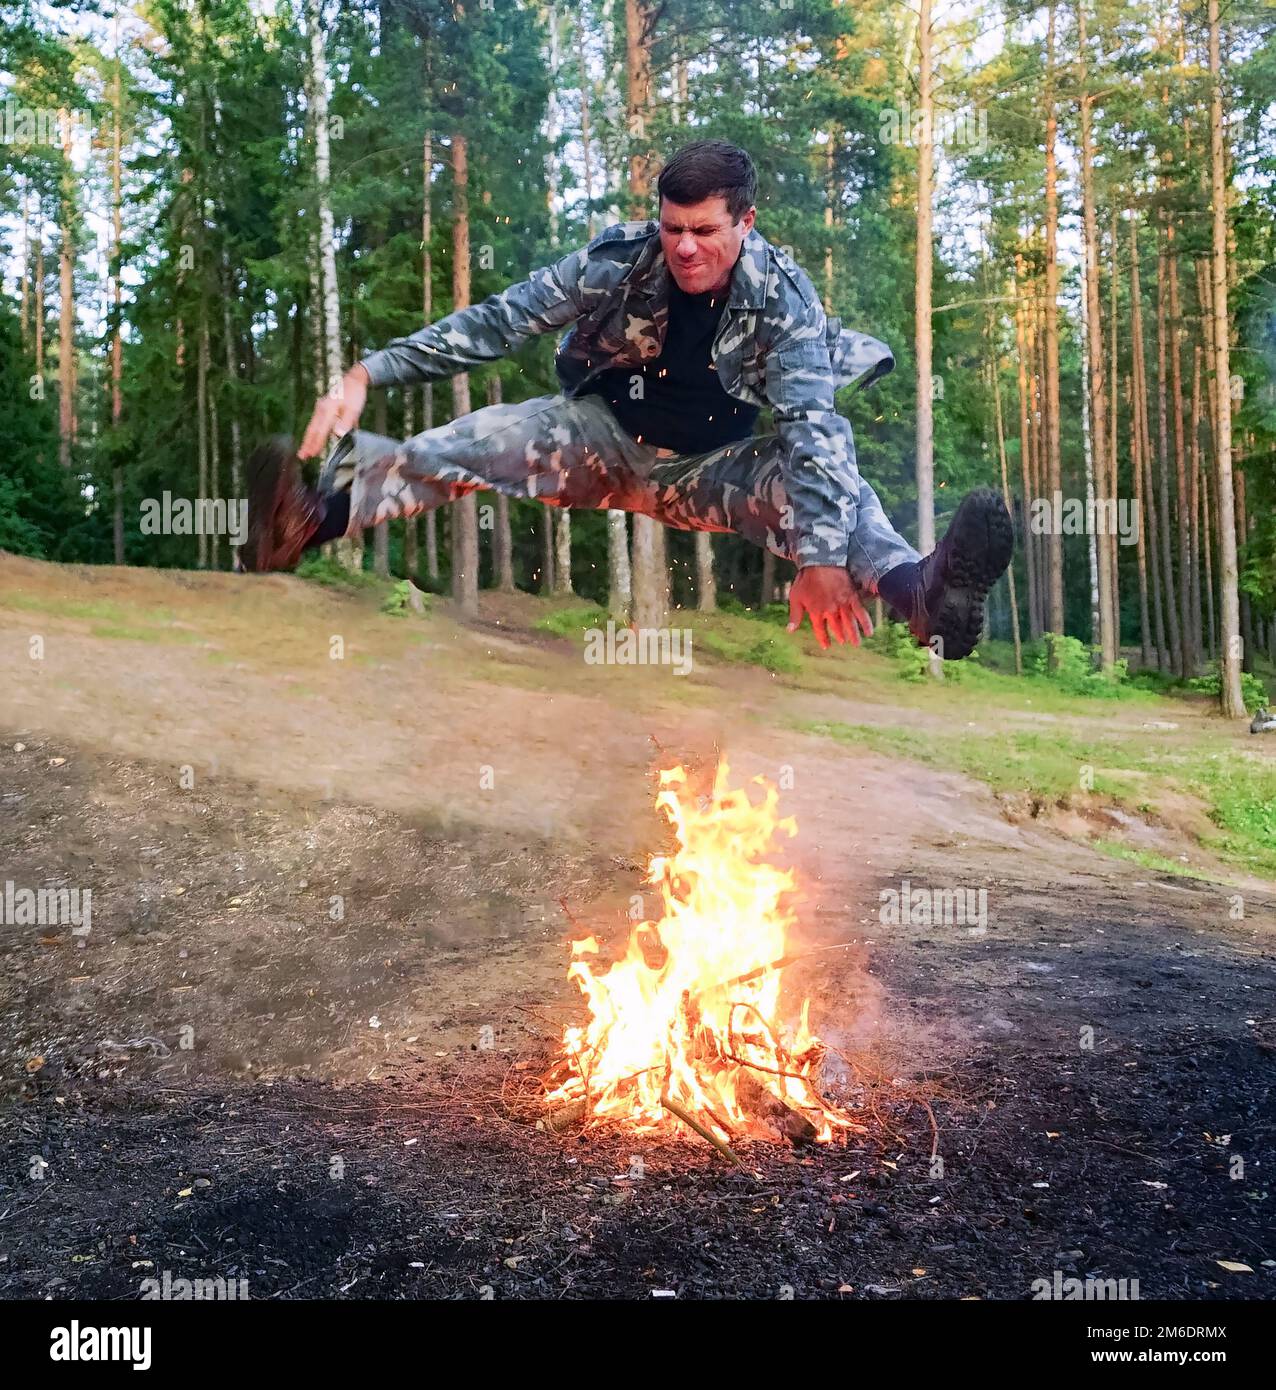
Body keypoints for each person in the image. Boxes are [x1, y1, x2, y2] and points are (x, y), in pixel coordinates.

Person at [244, 139, 1012, 658]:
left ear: (746, 223)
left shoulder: (786, 300)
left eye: (706, 230)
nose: (685, 247)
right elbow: (501, 322)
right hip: (604, 440)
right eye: (673, 227)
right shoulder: (616, 262)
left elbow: (813, 426)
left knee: (838, 487)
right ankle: (307, 523)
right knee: (477, 440)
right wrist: (367, 373)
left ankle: (923, 598)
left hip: (716, 468)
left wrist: (817, 561)